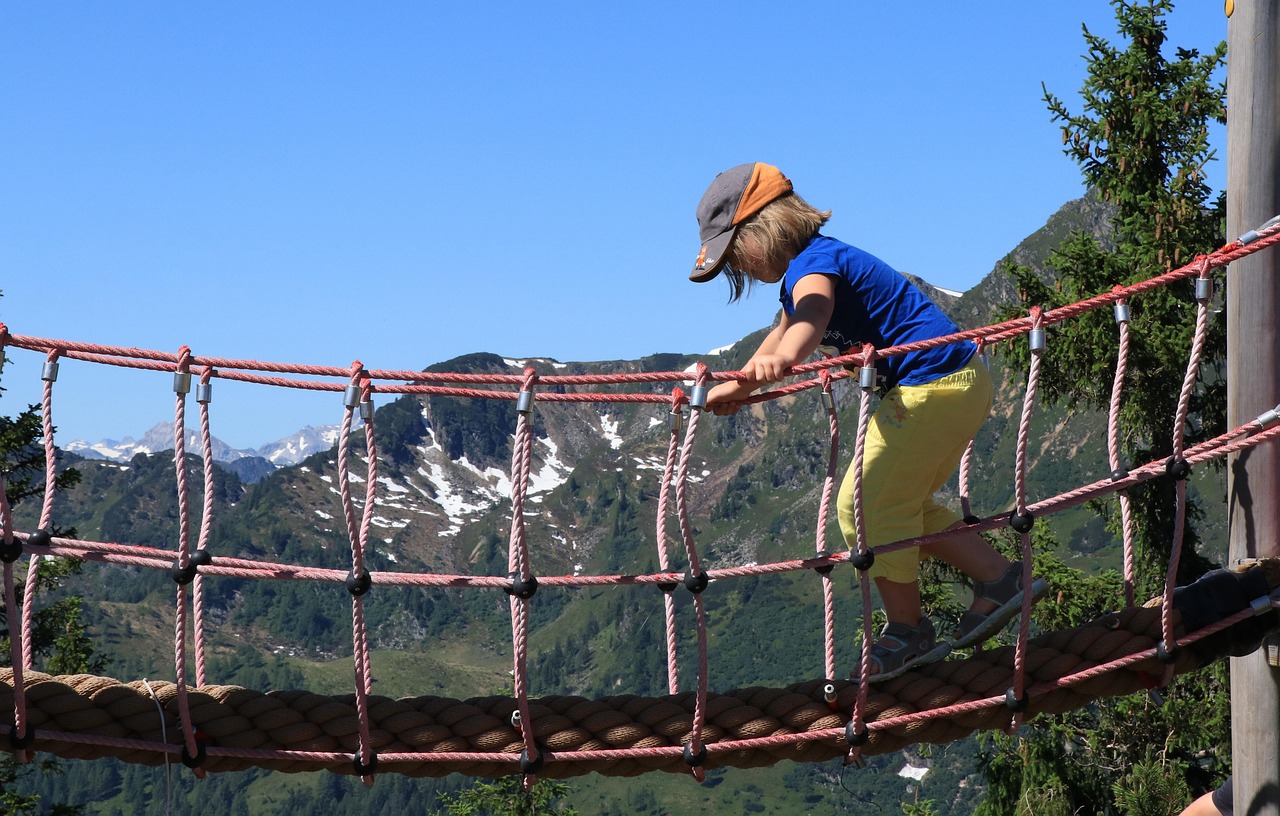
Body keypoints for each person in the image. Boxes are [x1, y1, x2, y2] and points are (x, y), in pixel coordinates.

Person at [688, 162, 1047, 680]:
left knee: (862, 505)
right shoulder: (811, 266)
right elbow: (779, 333)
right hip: (955, 383)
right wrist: (738, 389)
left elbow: (809, 319)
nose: (738, 267)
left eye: (735, 253)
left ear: (763, 227)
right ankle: (999, 579)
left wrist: (784, 360)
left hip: (933, 386)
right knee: (895, 505)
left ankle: (907, 631)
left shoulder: (814, 266)